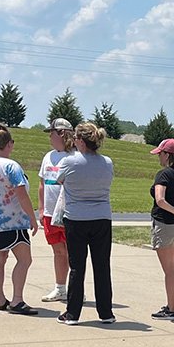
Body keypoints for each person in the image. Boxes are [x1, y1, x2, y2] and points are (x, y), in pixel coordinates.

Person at [56, 123, 114, 324]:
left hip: (76, 218)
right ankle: (106, 312)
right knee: (102, 266)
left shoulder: (69, 162)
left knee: (77, 267)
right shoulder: (107, 162)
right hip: (102, 217)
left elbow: (59, 181)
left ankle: (72, 313)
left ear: (80, 141)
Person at [0, 124, 39, 315]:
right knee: (24, 260)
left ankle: (0, 298)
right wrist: (33, 217)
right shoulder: (11, 166)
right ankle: (17, 300)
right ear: (10, 144)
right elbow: (22, 194)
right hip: (12, 221)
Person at [147, 138, 174, 319]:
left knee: (169, 269)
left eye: (160, 153)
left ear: (167, 155)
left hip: (166, 224)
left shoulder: (163, 175)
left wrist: (173, 211)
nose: (159, 157)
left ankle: (172, 310)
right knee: (172, 267)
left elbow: (160, 199)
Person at [37, 118, 73, 302]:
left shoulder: (74, 156)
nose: (50, 137)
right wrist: (41, 209)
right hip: (50, 213)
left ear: (62, 134)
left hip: (69, 214)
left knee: (73, 252)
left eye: (52, 133)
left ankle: (75, 288)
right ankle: (60, 288)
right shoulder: (48, 156)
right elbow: (42, 184)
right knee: (58, 251)